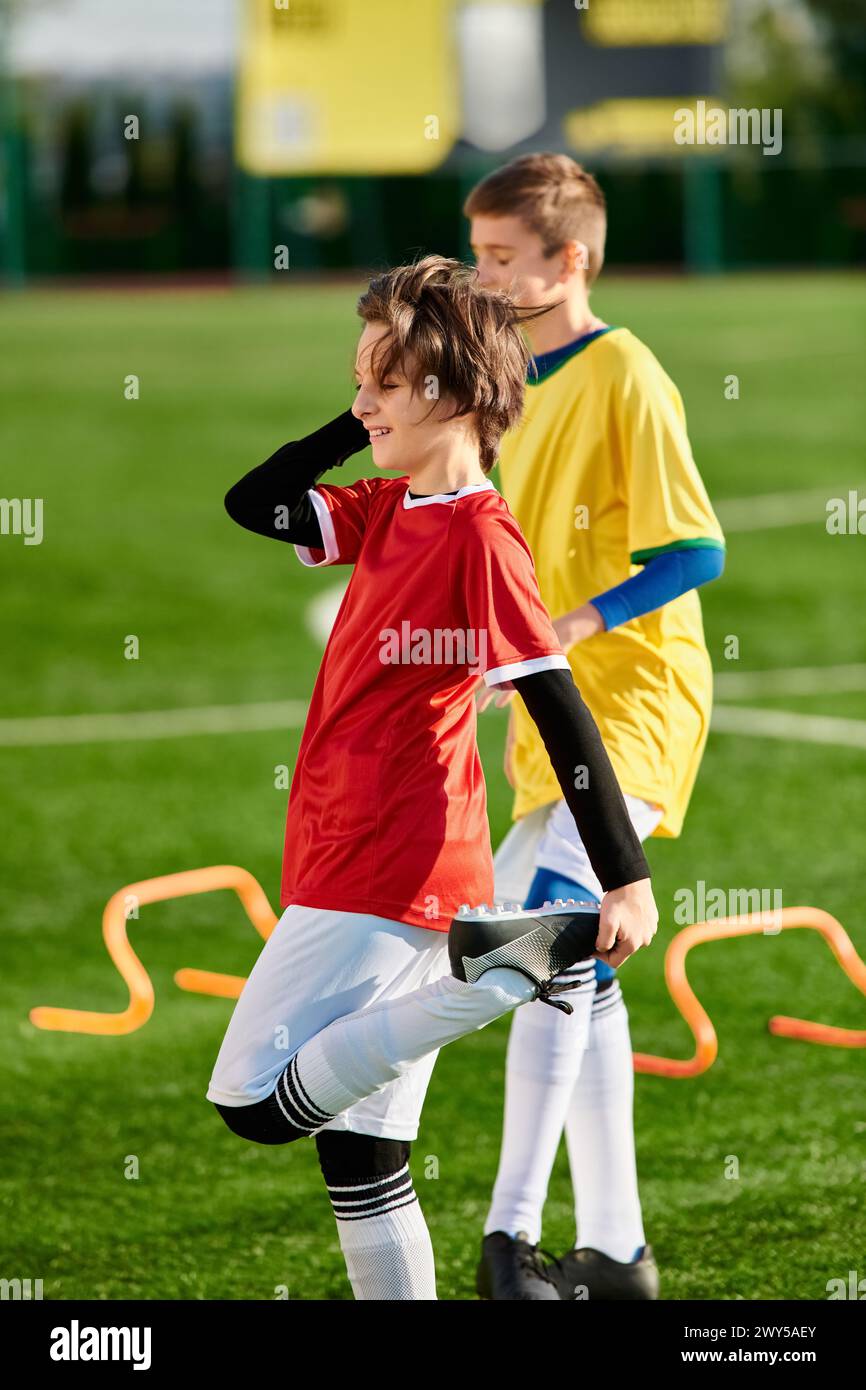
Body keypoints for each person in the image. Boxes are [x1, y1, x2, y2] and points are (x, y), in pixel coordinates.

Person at [206, 255, 658, 1301]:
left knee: (253, 1100)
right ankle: (497, 970)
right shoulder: (383, 507)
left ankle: (498, 974)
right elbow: (252, 498)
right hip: (365, 853)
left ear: (447, 394)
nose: (359, 402)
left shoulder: (479, 537)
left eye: (381, 381)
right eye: (356, 379)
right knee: (363, 1167)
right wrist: (367, 408)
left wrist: (621, 881)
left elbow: (558, 704)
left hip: (387, 858)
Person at [465, 154, 725, 1300]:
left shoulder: (627, 373)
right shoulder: (511, 381)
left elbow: (696, 549)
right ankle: (617, 1254)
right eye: (476, 257)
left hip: (633, 705)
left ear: (567, 260)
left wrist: (573, 619)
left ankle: (507, 1241)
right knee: (575, 971)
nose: (485, 278)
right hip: (549, 717)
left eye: (500, 260)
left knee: (547, 946)